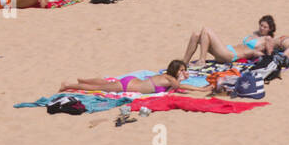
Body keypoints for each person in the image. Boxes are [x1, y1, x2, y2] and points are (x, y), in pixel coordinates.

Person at [59, 59, 214, 96]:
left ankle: (83, 80)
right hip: (129, 86)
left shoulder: (167, 77)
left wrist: (181, 79)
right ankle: (68, 85)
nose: (183, 72)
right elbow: (181, 87)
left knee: (106, 82)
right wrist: (201, 89)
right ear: (176, 71)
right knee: (99, 87)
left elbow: (177, 87)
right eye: (181, 70)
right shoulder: (171, 80)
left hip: (132, 81)